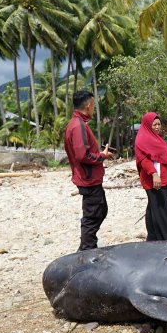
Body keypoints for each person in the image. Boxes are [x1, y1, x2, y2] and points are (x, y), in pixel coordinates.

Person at [64, 90, 114, 251]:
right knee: (93, 215)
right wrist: (102, 156)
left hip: (88, 178)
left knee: (99, 210)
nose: (93, 108)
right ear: (88, 105)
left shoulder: (77, 124)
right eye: (93, 105)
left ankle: (88, 245)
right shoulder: (78, 126)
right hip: (88, 178)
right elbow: (82, 155)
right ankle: (86, 248)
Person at [134, 112, 167, 241]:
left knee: (154, 206)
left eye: (159, 124)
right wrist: (154, 174)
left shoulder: (156, 138)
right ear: (147, 125)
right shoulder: (142, 139)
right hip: (153, 179)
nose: (157, 127)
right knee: (162, 206)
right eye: (154, 124)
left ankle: (154, 237)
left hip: (161, 178)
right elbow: (143, 159)